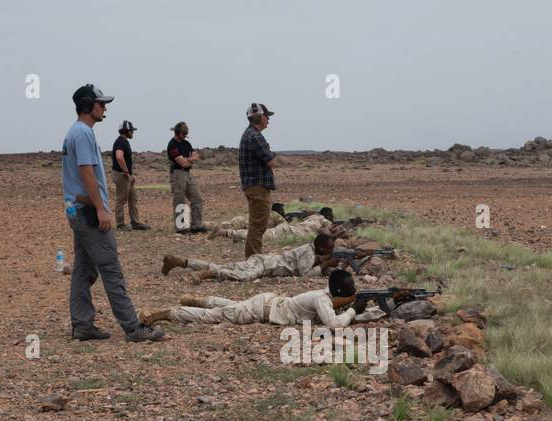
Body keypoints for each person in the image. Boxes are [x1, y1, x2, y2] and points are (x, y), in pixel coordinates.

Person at [62, 85, 164, 342]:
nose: (104, 108)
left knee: (83, 271)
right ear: (88, 106)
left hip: (78, 211)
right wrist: (100, 209)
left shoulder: (75, 133)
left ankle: (82, 324)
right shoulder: (83, 134)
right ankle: (133, 328)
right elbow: (86, 172)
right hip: (87, 212)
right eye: (100, 104)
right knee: (111, 268)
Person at [138, 269, 376, 327]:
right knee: (215, 317)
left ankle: (200, 299)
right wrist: (355, 309)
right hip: (261, 310)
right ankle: (164, 314)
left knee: (232, 306)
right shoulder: (321, 300)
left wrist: (370, 311)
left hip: (266, 302)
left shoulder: (322, 296)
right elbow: (334, 324)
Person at [160, 232, 337, 282]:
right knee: (246, 276)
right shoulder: (308, 252)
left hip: (262, 260)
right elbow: (305, 274)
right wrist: (325, 264)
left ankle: (182, 262)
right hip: (265, 266)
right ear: (321, 247)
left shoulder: (309, 249)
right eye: (328, 249)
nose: (330, 251)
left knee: (223, 265)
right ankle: (210, 275)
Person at [238, 102, 278, 257]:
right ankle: (254, 258)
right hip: (258, 187)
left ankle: (254, 256)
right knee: (258, 225)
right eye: (267, 116)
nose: (268, 119)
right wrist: (272, 155)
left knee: (257, 224)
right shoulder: (255, 136)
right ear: (259, 117)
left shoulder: (250, 134)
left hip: (254, 186)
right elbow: (271, 161)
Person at [166, 121, 205, 233]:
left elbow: (195, 156)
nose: (184, 136)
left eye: (185, 134)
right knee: (180, 200)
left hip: (187, 173)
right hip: (177, 174)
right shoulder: (172, 145)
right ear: (177, 132)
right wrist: (189, 161)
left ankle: (196, 225)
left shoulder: (186, 143)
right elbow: (181, 163)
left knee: (197, 198)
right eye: (182, 134)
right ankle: (181, 227)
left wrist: (187, 160)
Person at [110, 120, 147, 230]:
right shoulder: (121, 142)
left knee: (132, 198)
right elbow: (119, 157)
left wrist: (130, 174)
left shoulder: (123, 141)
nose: (132, 133)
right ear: (126, 131)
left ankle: (135, 222)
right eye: (131, 130)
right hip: (122, 174)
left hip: (125, 174)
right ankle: (120, 224)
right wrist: (126, 172)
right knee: (121, 199)